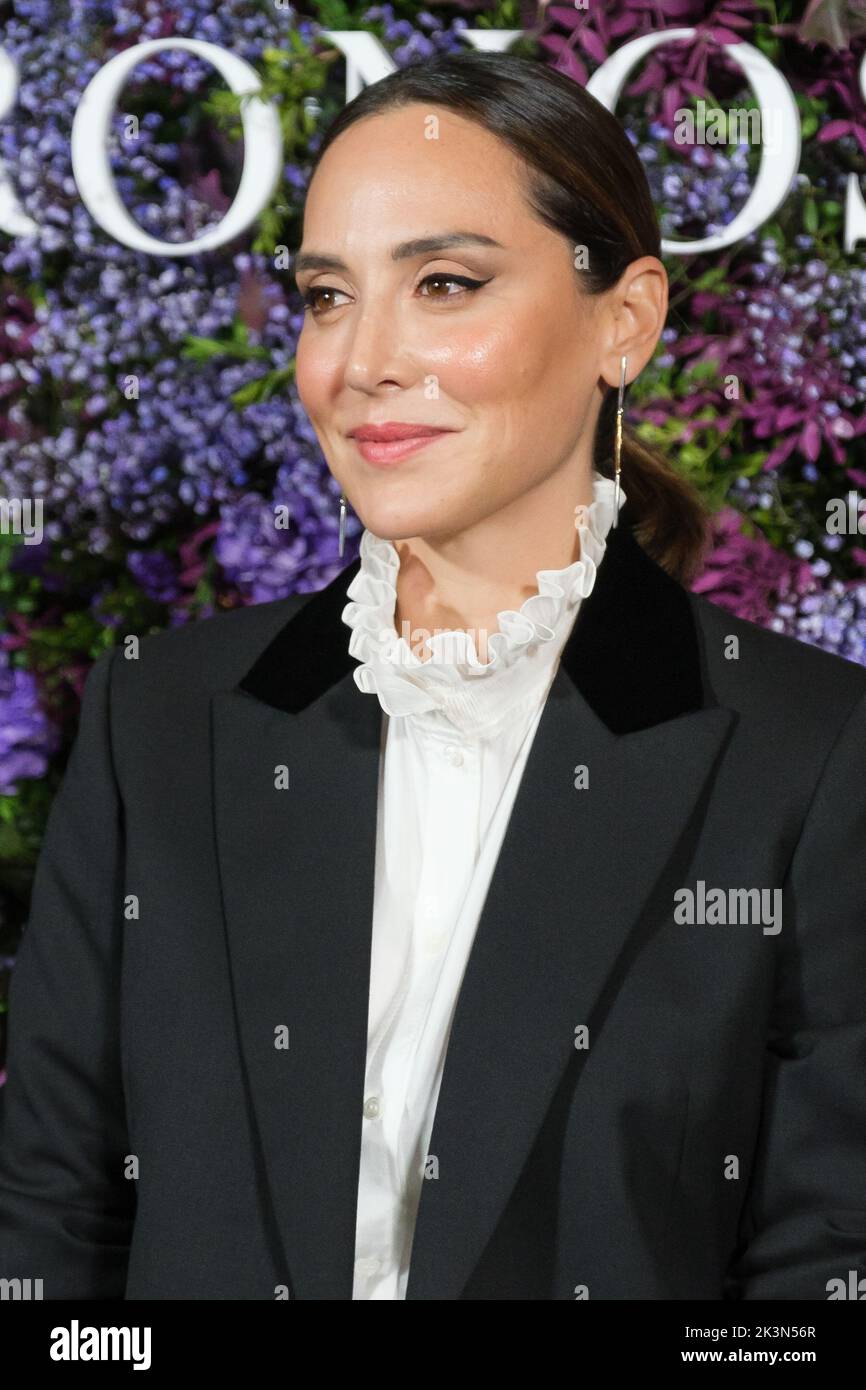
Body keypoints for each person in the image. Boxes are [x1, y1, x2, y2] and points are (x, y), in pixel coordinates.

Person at [1, 49, 865, 1301]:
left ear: (621, 322)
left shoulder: (809, 753)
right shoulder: (164, 716)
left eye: (445, 284)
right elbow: (49, 1222)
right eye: (326, 296)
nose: (362, 362)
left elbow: (823, 1271)